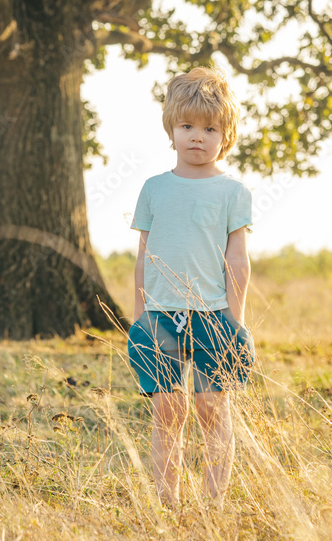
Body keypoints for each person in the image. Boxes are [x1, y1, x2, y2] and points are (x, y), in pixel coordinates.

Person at [127, 66, 256, 509]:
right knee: (167, 412)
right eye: (187, 126)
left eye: (209, 128)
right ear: (172, 128)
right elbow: (144, 256)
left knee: (210, 408)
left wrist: (234, 323)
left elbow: (237, 260)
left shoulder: (232, 191)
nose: (196, 136)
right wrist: (141, 314)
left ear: (226, 135)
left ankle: (212, 505)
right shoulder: (154, 189)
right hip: (160, 317)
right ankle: (168, 503)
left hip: (213, 316)